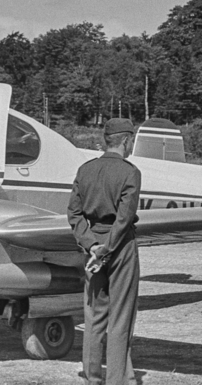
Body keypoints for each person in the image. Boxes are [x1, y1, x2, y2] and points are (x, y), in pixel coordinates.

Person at [67, 118, 141, 385]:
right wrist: (108, 248)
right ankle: (117, 380)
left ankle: (92, 377)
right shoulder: (130, 172)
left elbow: (74, 213)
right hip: (120, 247)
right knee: (120, 319)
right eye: (131, 140)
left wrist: (92, 247)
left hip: (94, 248)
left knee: (94, 316)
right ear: (126, 140)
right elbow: (124, 219)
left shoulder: (85, 170)